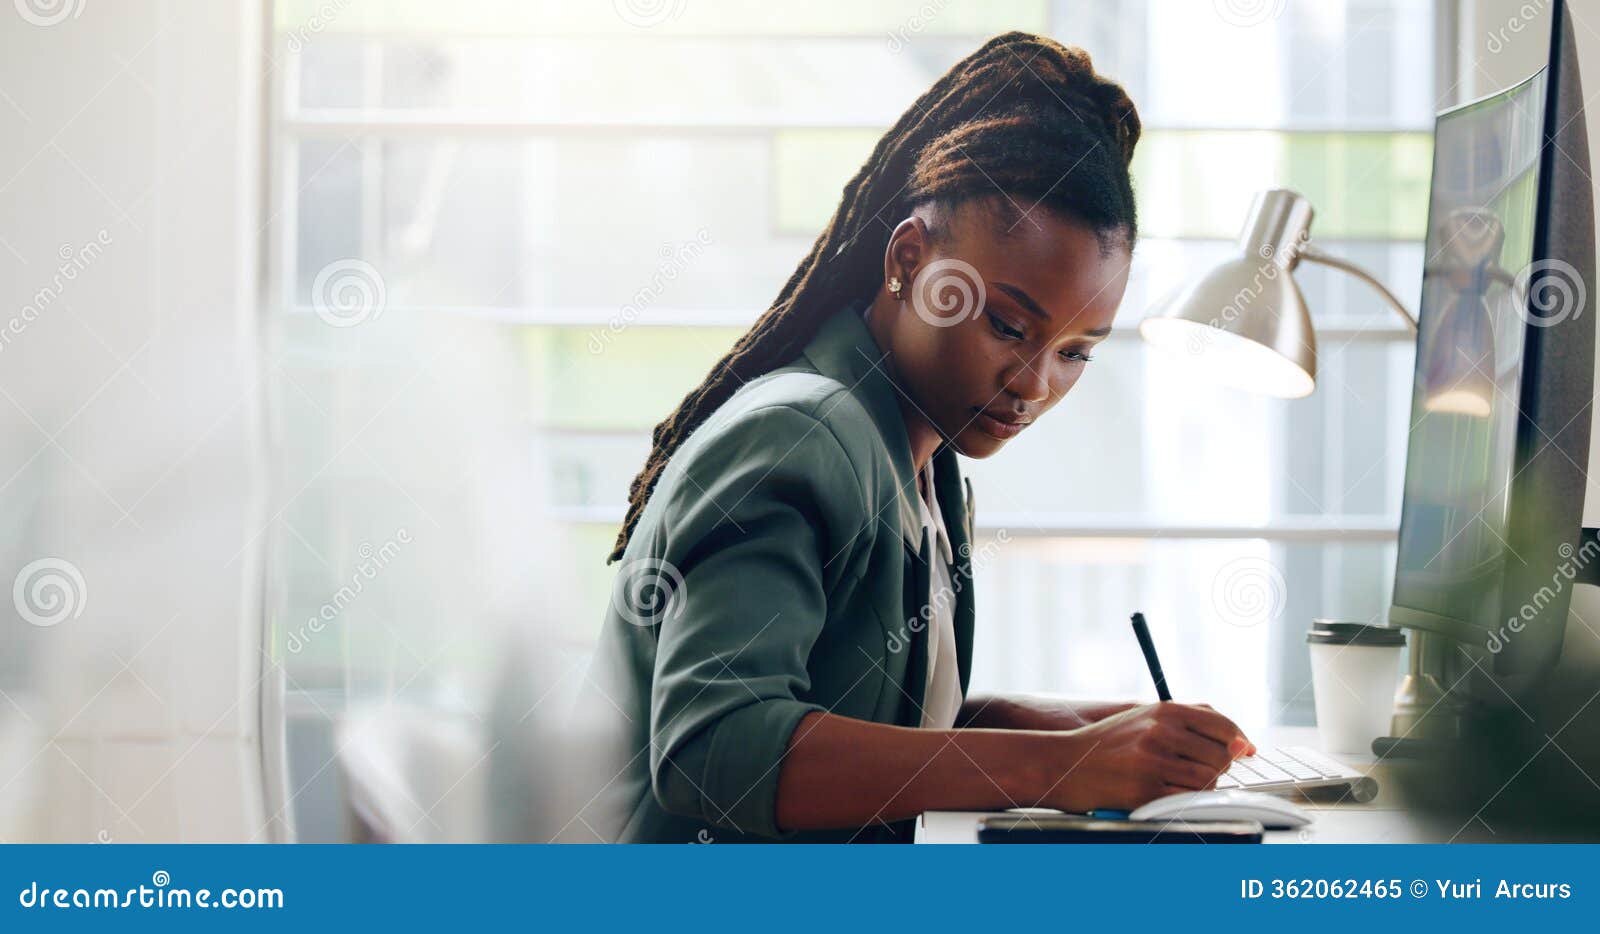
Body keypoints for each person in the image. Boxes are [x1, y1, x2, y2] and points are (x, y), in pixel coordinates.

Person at [581, 31, 1255, 843]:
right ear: (909, 259)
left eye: (1075, 352)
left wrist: (1045, 727)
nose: (1035, 385)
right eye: (1009, 325)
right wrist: (1060, 768)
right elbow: (715, 750)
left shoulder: (922, 458)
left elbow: (848, 706)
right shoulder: (802, 435)